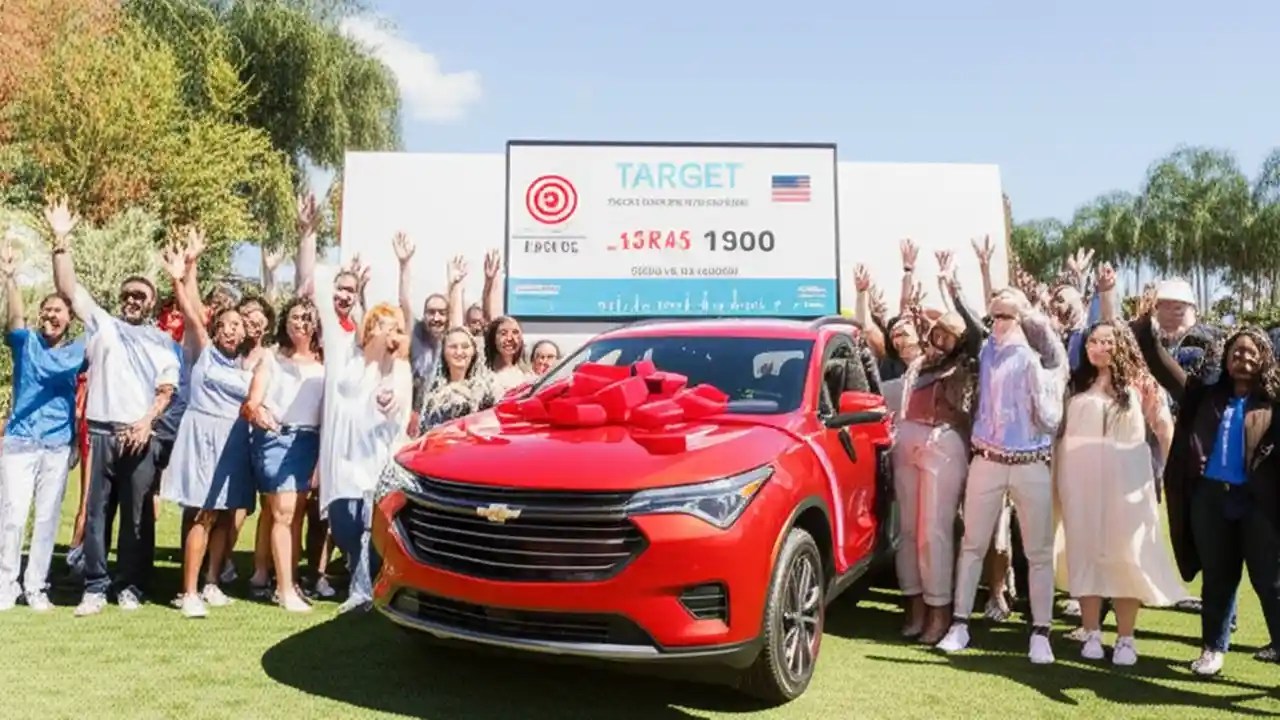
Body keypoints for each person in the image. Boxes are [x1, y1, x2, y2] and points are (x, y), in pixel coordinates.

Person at [50, 199, 179, 616]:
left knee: (139, 516)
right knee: (97, 511)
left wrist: (146, 424)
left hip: (139, 433)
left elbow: (166, 389)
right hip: (102, 431)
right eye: (127, 294)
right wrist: (61, 239)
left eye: (140, 295)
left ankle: (130, 586)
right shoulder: (102, 325)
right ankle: (95, 585)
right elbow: (68, 288)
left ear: (153, 302)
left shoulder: (162, 341)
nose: (132, 300)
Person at [1140, 317, 1280, 677]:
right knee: (1217, 578)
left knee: (1270, 582)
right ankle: (1213, 649)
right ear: (1227, 357)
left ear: (1265, 360)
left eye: (1252, 353)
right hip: (1210, 502)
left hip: (1257, 505)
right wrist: (1146, 329)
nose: (1244, 358)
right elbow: (1161, 365)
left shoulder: (1273, 403)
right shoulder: (1202, 395)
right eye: (1238, 351)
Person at [937, 288, 1068, 663]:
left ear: (1021, 319)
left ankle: (1041, 632)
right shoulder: (986, 351)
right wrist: (955, 285)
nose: (996, 323)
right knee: (973, 545)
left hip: (1030, 462)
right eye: (994, 316)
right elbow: (970, 324)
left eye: (1004, 317)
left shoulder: (1037, 357)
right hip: (988, 459)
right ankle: (959, 624)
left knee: (1039, 552)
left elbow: (1051, 415)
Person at [1055, 320, 1185, 665]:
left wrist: (1172, 475)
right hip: (1079, 479)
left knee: (1127, 552)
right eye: (1092, 341)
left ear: (1122, 344)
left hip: (1128, 480)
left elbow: (1164, 428)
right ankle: (1091, 631)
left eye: (1106, 342)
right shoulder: (1077, 382)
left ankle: (1126, 638)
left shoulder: (1141, 383)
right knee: (1085, 550)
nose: (1096, 347)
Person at [157, 238, 256, 618]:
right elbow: (191, 308)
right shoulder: (203, 351)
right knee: (202, 513)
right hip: (201, 438)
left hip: (232, 441)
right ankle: (189, 591)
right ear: (215, 330)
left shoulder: (245, 365)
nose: (231, 331)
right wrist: (185, 273)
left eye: (237, 326)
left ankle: (212, 582)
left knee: (225, 513)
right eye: (225, 325)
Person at [892, 254, 982, 644]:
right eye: (938, 331)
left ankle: (939, 608)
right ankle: (914, 604)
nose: (941, 336)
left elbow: (978, 330)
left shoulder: (968, 360)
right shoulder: (920, 363)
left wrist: (953, 289)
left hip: (943, 440)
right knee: (909, 530)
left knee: (935, 530)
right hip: (908, 438)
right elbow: (898, 322)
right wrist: (909, 275)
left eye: (949, 332)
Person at [315, 265, 412, 613]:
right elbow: (326, 308)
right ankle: (362, 580)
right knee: (343, 526)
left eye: (395, 328)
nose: (388, 332)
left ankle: (362, 592)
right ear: (369, 326)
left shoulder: (398, 367)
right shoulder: (345, 355)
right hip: (341, 459)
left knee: (367, 527)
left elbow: (398, 398)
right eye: (382, 325)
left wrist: (390, 401)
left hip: (377, 459)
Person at [0, 235, 86, 612]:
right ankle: (6, 584)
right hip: (20, 440)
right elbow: (14, 317)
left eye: (59, 311)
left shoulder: (79, 349)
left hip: (56, 443)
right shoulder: (26, 343)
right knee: (13, 514)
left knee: (47, 518)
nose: (51, 315)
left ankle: (36, 586)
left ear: (69, 319)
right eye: (47, 310)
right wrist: (10, 278)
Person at [243, 297, 324, 613]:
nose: (300, 323)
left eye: (306, 318)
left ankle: (286, 580)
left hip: (310, 441)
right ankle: (283, 589)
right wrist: (258, 413)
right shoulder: (271, 358)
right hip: (278, 438)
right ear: (284, 322)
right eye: (294, 317)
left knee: (297, 514)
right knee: (282, 512)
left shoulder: (323, 364)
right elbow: (253, 401)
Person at [419, 328, 496, 434]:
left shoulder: (486, 392)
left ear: (473, 351)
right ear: (444, 352)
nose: (459, 352)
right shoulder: (432, 392)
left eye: (465, 347)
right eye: (453, 347)